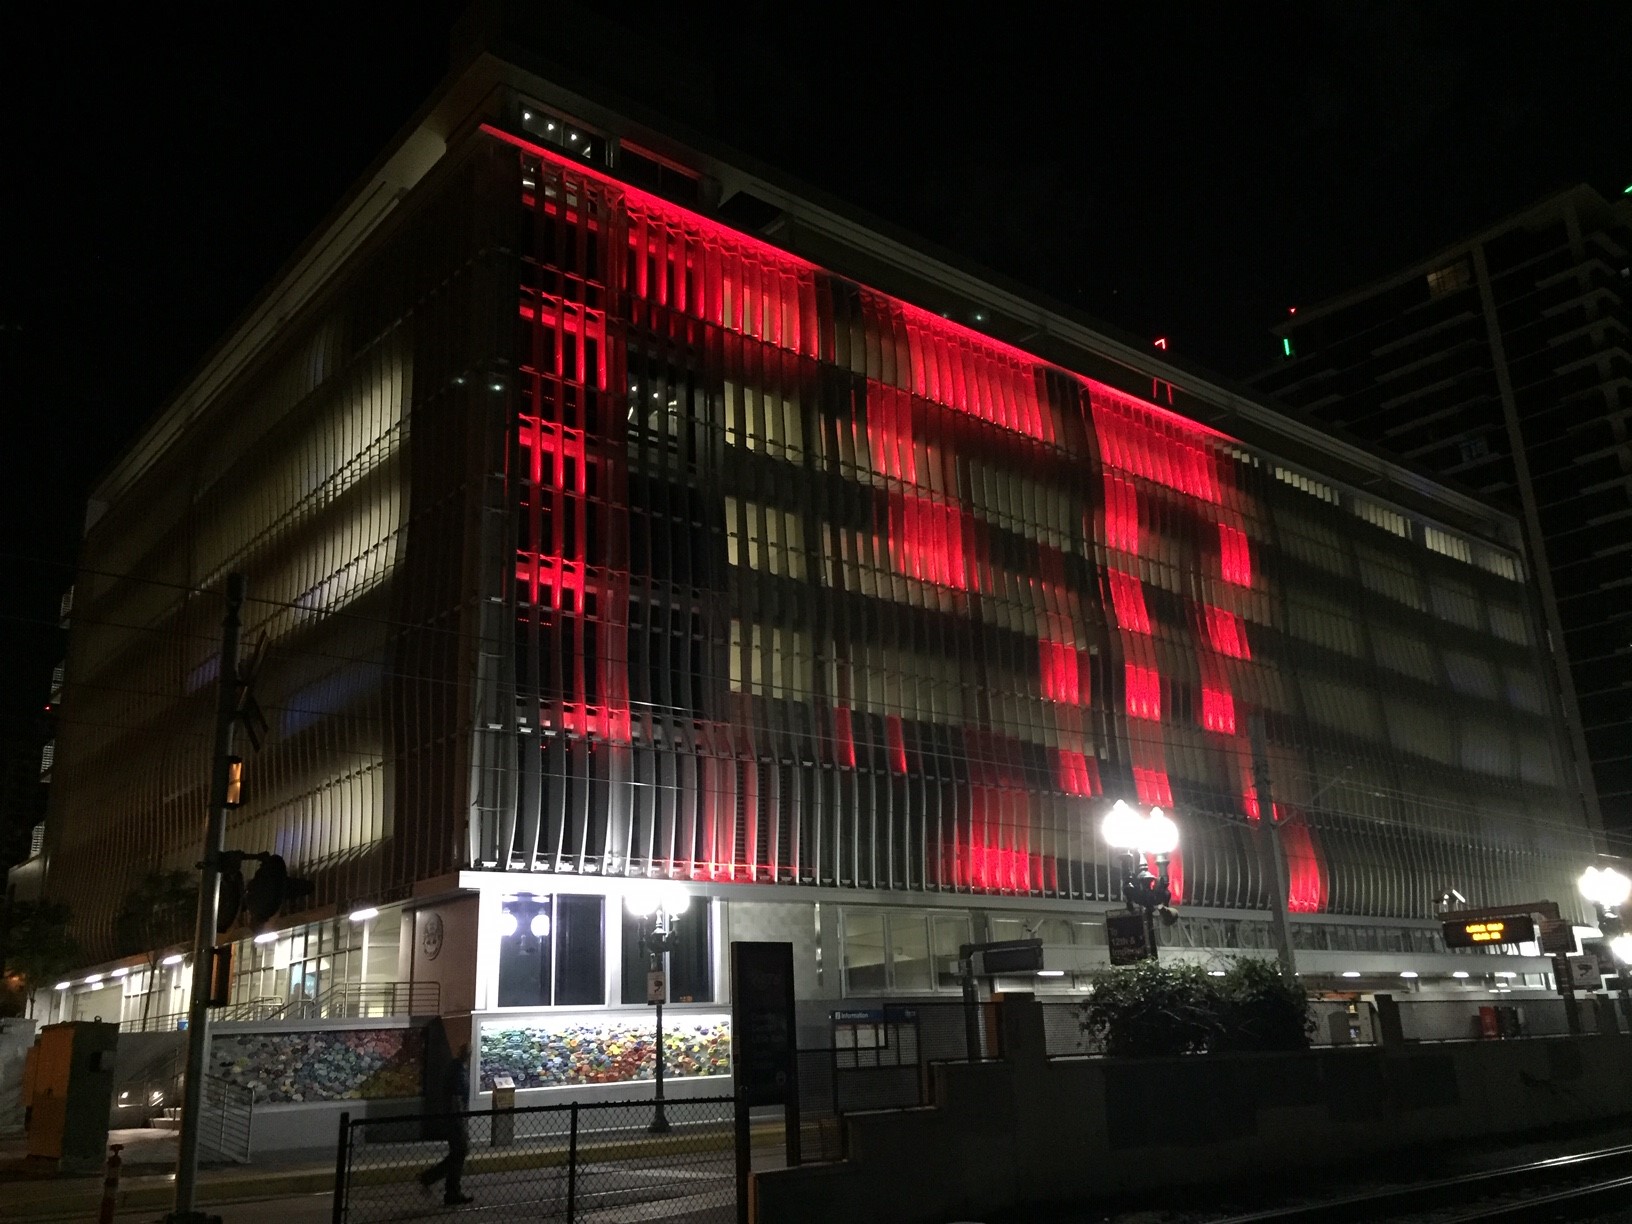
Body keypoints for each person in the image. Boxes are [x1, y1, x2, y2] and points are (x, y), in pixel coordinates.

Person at [418, 1042, 473, 1206]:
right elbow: (455, 1098)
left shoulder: (458, 1069)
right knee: (461, 1151)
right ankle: (432, 1178)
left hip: (455, 1118)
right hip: (455, 1119)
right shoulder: (457, 1071)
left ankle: (451, 1191)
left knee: (459, 1153)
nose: (468, 1055)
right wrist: (461, 1120)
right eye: (467, 1052)